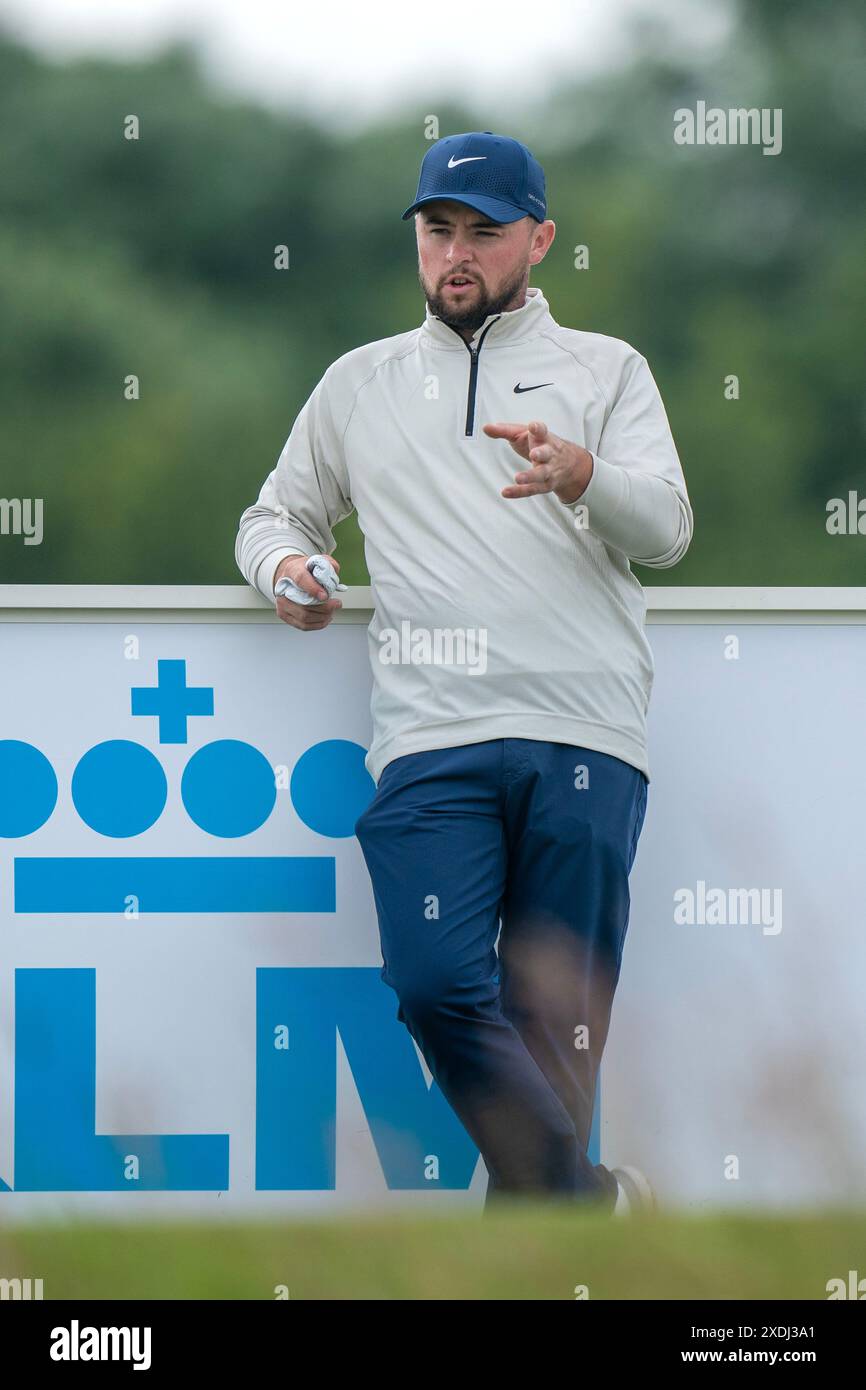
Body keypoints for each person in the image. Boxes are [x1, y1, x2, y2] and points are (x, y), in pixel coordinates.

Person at [235, 130, 693, 1215]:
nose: (455, 254)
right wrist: (289, 568)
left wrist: (583, 473)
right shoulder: (358, 384)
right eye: (437, 230)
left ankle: (543, 1247)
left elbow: (668, 526)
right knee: (437, 984)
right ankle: (587, 1202)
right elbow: (274, 515)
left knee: (555, 1029)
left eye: (483, 233)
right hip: (429, 740)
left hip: (585, 737)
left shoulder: (607, 368)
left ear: (536, 240)